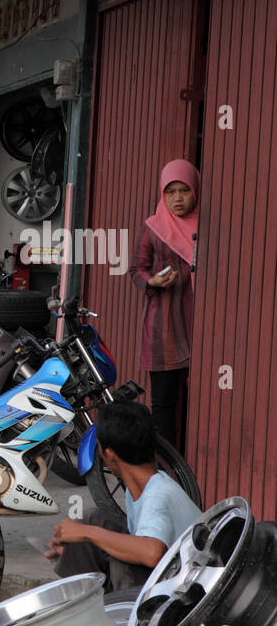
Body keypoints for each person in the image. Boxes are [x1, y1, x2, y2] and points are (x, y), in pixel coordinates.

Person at [47, 401, 202, 591]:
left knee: (123, 560)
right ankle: (86, 601)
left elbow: (151, 553)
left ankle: (120, 618)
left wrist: (87, 534)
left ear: (110, 454)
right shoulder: (140, 487)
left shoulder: (157, 495)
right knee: (92, 519)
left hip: (187, 591)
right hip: (172, 576)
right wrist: (75, 551)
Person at [132, 159, 198, 450]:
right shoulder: (154, 229)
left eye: (184, 190)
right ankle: (170, 467)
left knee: (201, 399)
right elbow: (137, 270)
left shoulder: (206, 227)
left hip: (198, 322)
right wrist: (152, 282)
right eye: (170, 192)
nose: (177, 198)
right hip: (163, 327)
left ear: (195, 191)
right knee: (163, 402)